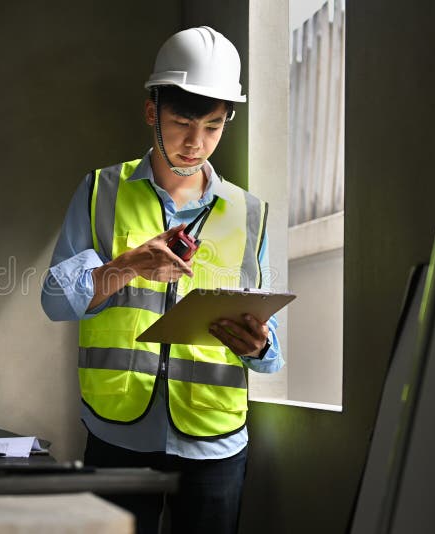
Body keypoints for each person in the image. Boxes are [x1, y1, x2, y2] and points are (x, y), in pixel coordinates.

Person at [41, 26, 284, 534]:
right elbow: (55, 300)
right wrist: (125, 265)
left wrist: (261, 346)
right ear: (152, 112)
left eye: (214, 128)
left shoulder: (251, 213)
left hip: (216, 439)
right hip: (117, 434)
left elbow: (273, 353)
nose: (196, 143)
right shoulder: (100, 191)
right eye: (182, 123)